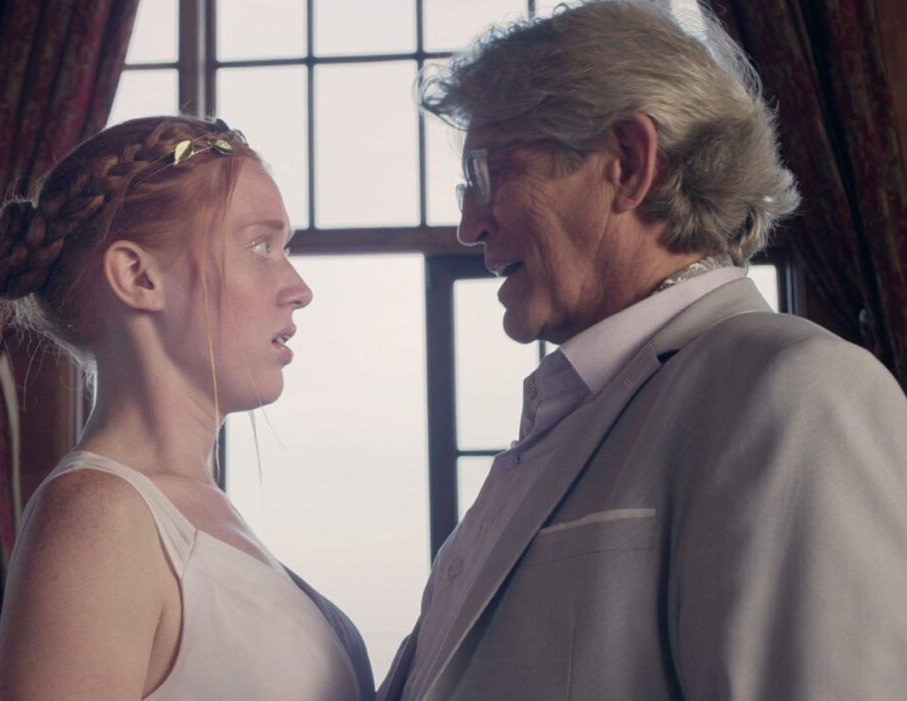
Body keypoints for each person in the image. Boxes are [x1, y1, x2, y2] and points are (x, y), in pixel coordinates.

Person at [379, 1, 907, 699]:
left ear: (628, 163)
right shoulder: (572, 410)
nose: (469, 225)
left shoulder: (801, 389)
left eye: (492, 174)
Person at [0, 116, 374, 699]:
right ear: (138, 276)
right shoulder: (99, 520)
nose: (299, 288)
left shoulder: (191, 509)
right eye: (260, 246)